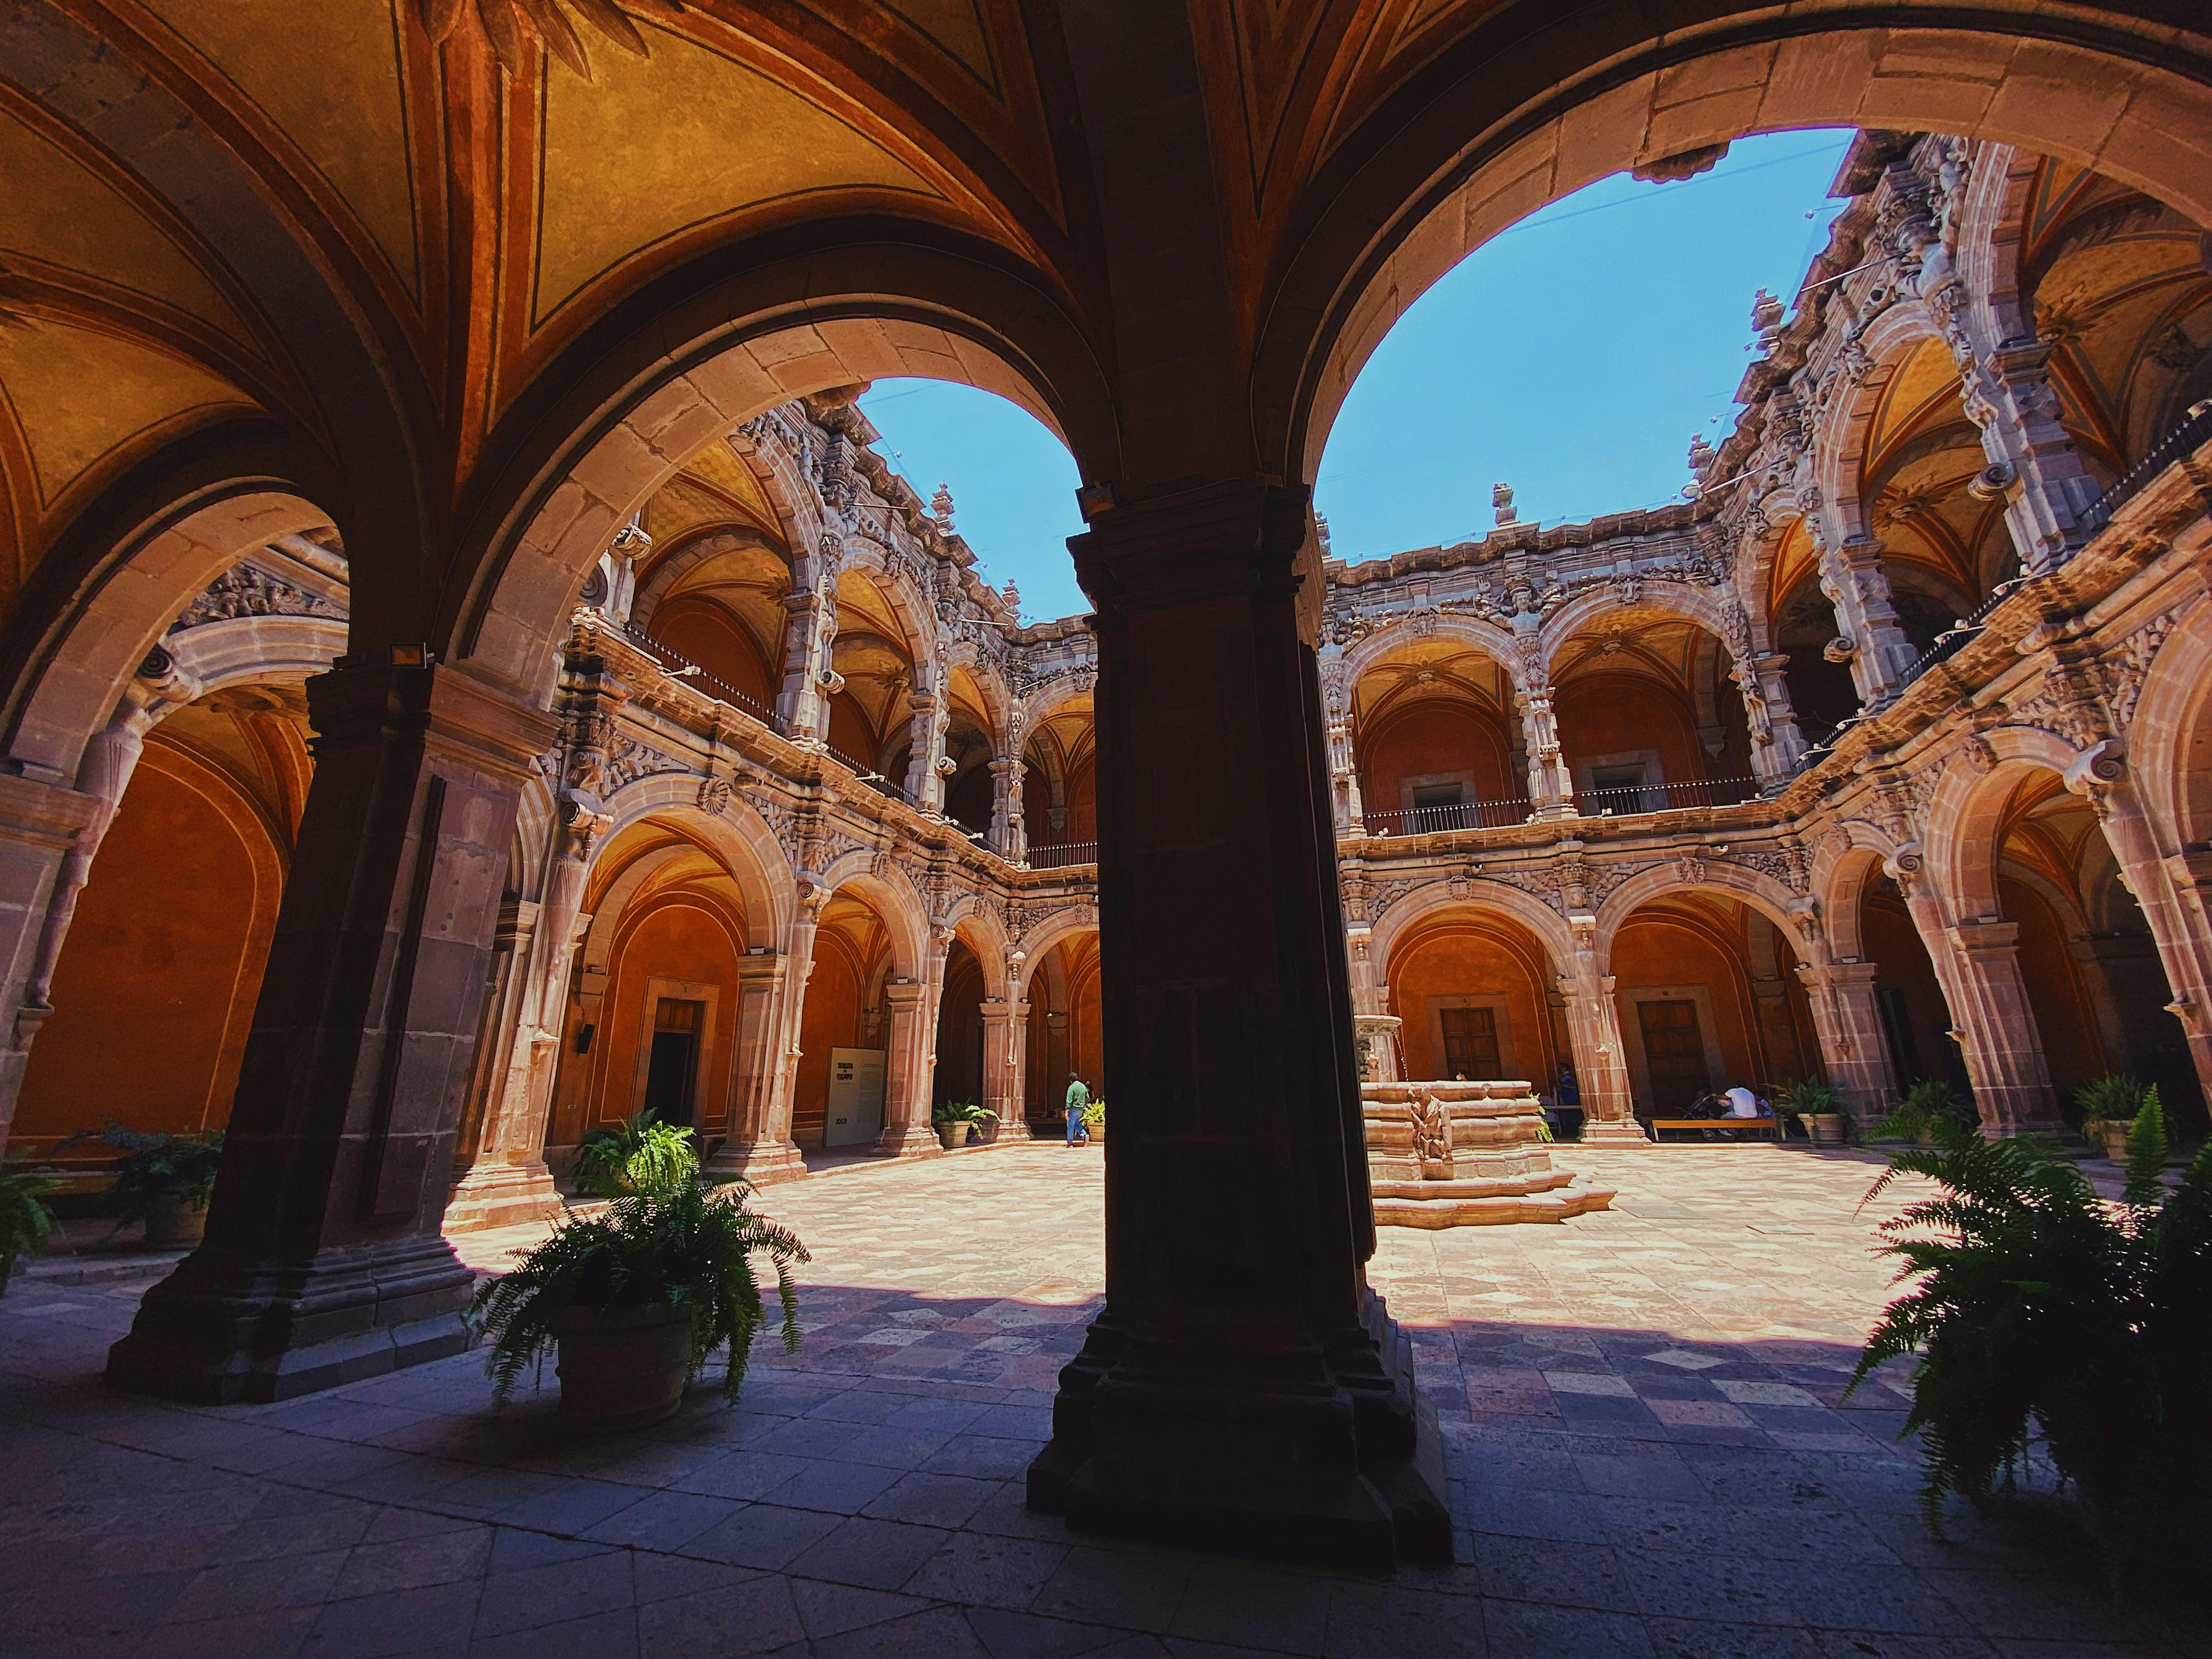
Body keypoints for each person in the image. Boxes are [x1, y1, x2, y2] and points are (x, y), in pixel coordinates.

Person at [1064, 1073, 1091, 1146]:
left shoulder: (1072, 1087)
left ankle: (1070, 1142)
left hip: (1073, 1109)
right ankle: (1084, 1135)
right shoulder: (1083, 1086)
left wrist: (1066, 1111)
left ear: (1070, 1080)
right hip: (1081, 1110)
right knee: (1076, 1124)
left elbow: (1069, 1099)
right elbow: (1088, 1098)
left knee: (1070, 1125)